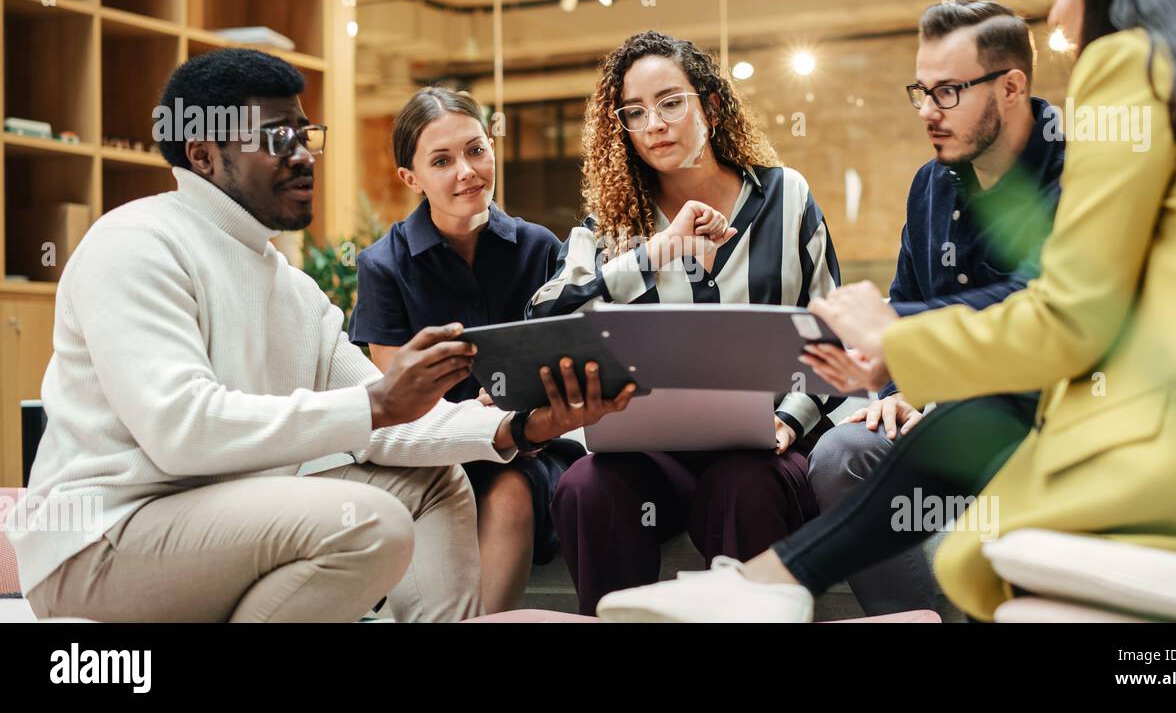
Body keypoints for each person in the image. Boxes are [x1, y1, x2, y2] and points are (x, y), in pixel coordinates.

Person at [593, 0, 1176, 623]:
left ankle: (775, 581)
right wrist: (897, 364)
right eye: (921, 91)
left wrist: (893, 334)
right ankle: (779, 581)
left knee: (989, 418)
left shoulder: (1131, 68)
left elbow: (1072, 313)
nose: (1056, 16)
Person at [4, 48, 633, 623]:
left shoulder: (291, 288)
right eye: (277, 137)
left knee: (433, 479)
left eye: (304, 134)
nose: (303, 154)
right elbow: (182, 430)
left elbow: (391, 419)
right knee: (366, 524)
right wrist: (376, 404)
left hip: (217, 523)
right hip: (100, 542)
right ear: (201, 154)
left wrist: (517, 429)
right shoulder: (137, 243)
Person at [529, 30, 843, 615]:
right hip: (650, 459)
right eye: (635, 112)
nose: (654, 123)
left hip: (763, 452)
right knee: (583, 489)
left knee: (743, 486)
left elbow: (833, 338)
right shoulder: (612, 226)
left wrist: (787, 422)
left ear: (712, 106)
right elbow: (546, 316)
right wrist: (655, 252)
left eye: (671, 102)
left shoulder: (787, 197)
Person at [809, 0, 1063, 618]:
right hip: (947, 416)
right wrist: (900, 390)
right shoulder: (931, 182)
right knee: (841, 455)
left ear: (1011, 87)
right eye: (921, 91)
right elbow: (908, 297)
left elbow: (1043, 311)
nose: (927, 111)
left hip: (1053, 420)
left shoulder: (1079, 175)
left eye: (947, 92)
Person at [350, 86, 583, 613]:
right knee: (461, 485)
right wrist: (471, 420)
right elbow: (397, 405)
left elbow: (563, 363)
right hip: (432, 455)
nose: (467, 171)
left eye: (476, 149)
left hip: (529, 448)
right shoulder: (383, 266)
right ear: (411, 178)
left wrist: (517, 419)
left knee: (512, 486)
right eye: (442, 160)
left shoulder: (540, 248)